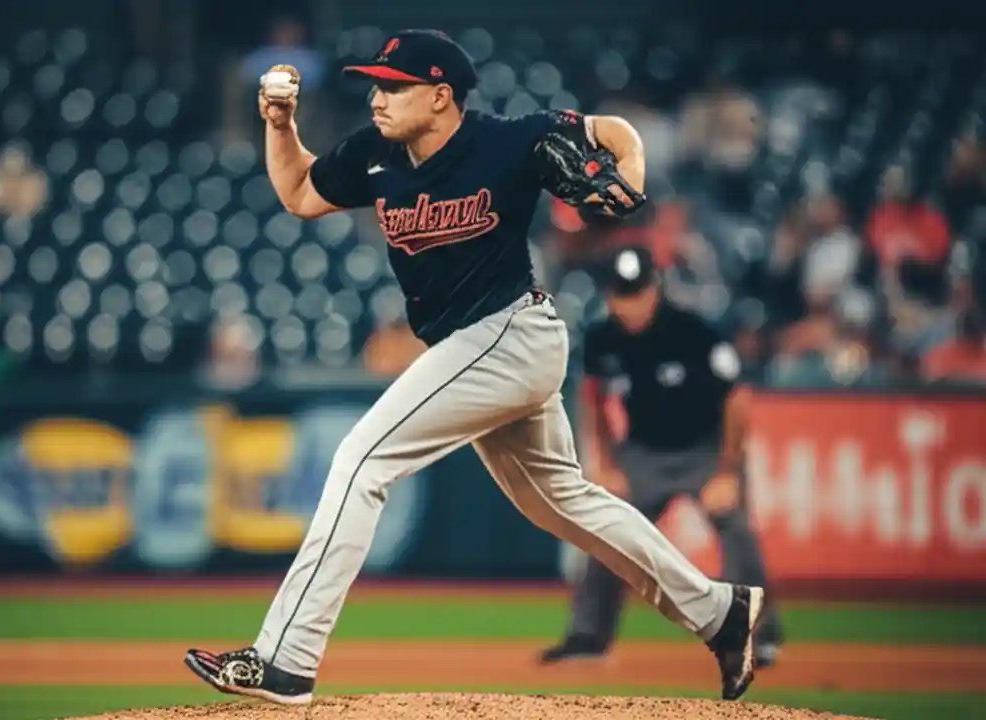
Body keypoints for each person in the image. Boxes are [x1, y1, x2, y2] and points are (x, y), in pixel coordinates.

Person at [182, 29, 766, 706]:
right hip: (478, 348)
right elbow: (299, 195)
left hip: (511, 331)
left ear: (439, 95)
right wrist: (280, 125)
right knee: (563, 503)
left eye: (393, 86)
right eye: (374, 84)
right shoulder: (375, 153)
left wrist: (627, 174)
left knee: (362, 460)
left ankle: (285, 659)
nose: (377, 97)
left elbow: (616, 133)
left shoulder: (508, 140)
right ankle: (720, 612)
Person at [538, 245, 785, 668]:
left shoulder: (694, 330)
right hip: (644, 453)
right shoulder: (602, 337)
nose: (628, 305)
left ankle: (757, 634)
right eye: (620, 294)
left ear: (655, 289)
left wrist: (727, 471)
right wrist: (608, 463)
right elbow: (594, 398)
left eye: (637, 293)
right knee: (606, 530)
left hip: (704, 450)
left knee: (736, 529)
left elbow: (737, 399)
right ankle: (588, 636)